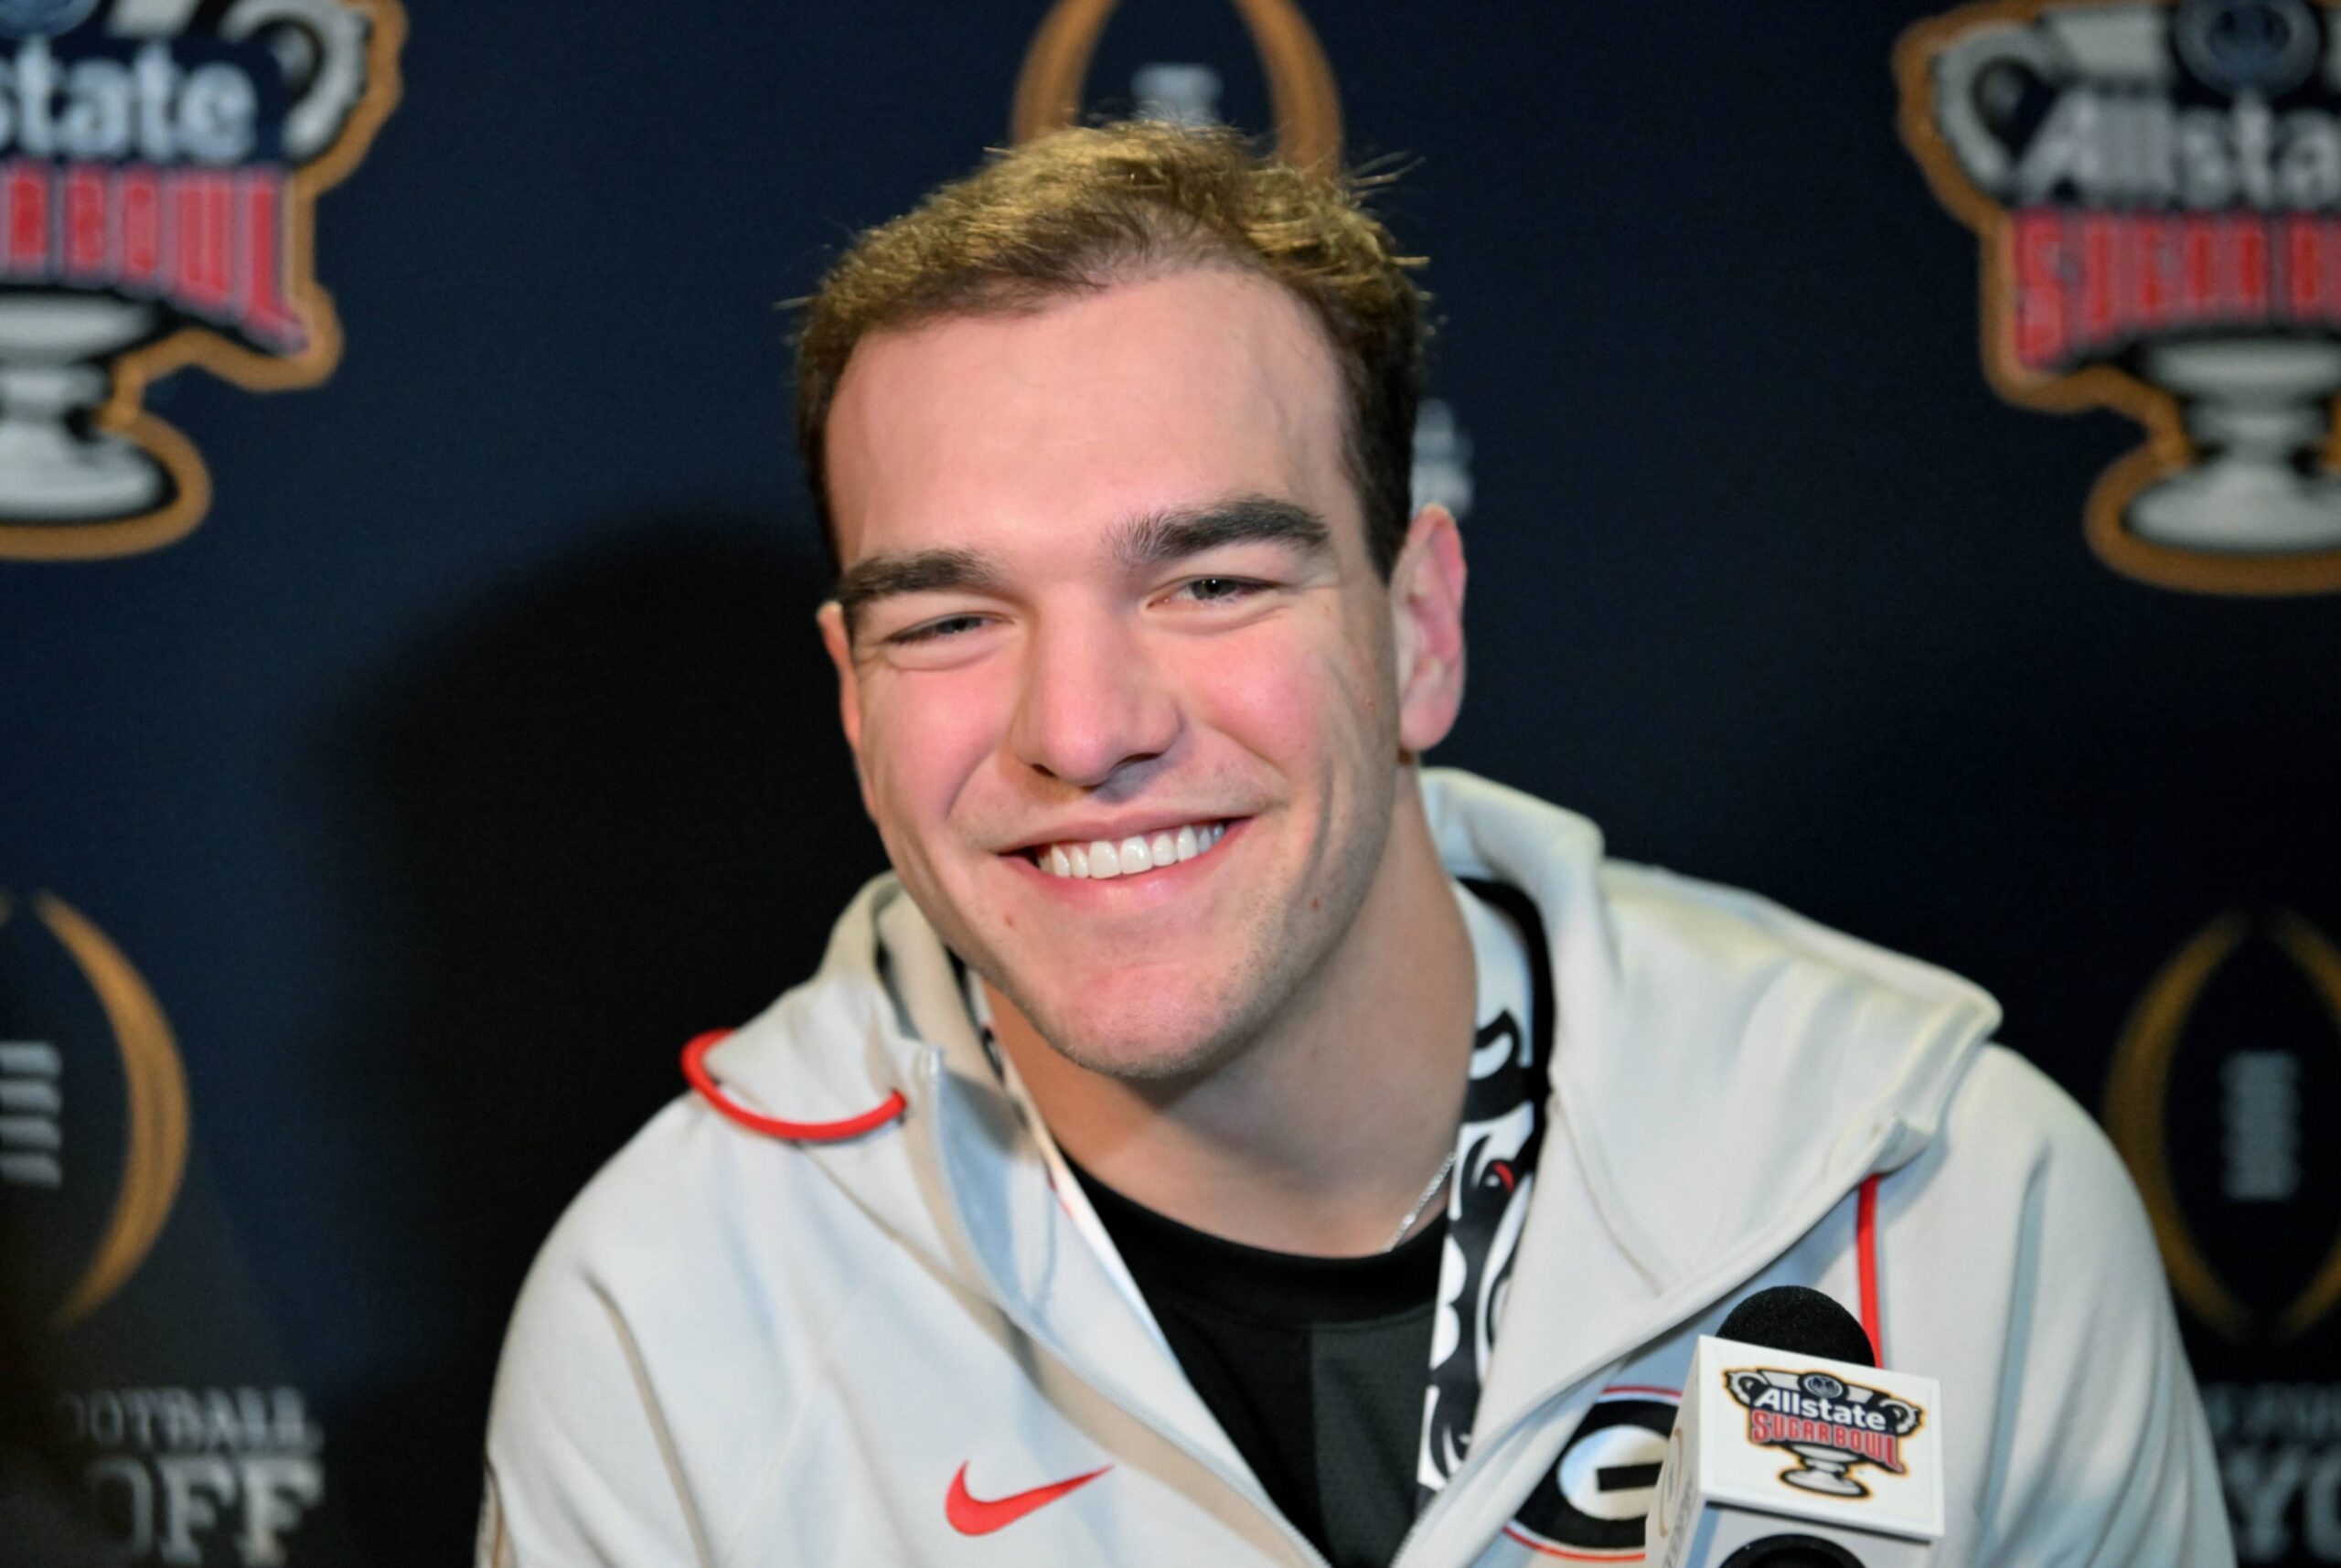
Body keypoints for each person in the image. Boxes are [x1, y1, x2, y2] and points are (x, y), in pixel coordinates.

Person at [478, 121, 2232, 1567]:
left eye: (1209, 582)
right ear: (856, 706)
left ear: (1419, 629)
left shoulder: (1949, 1196)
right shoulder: (671, 1316)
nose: (1081, 729)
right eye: (948, 620)